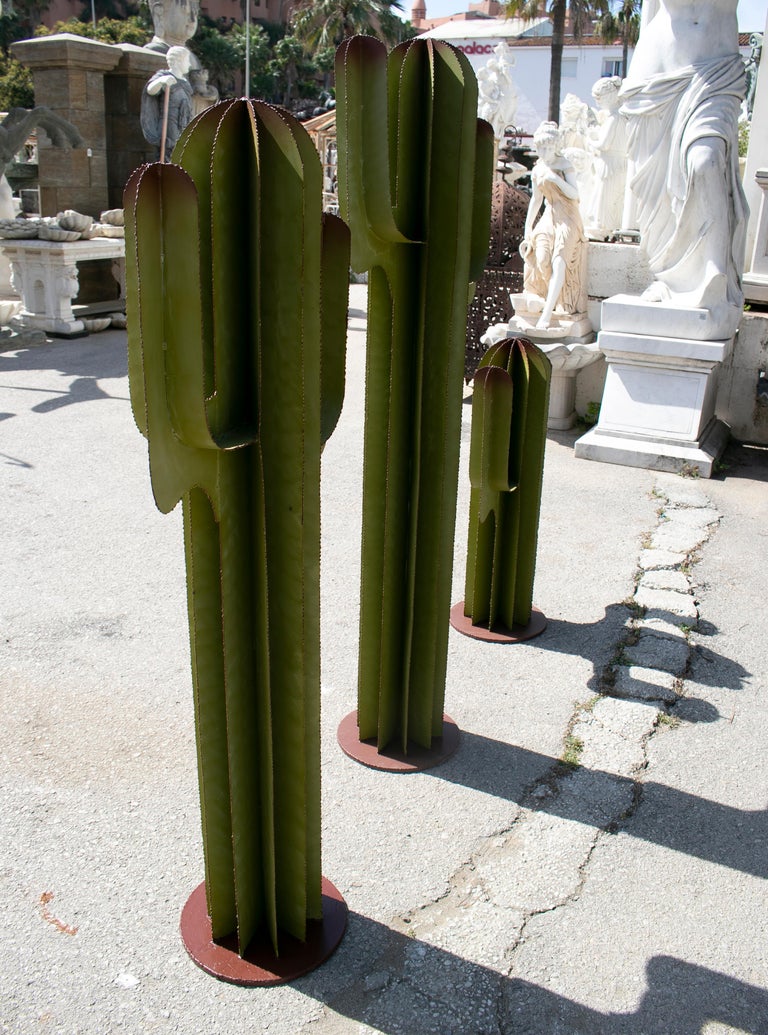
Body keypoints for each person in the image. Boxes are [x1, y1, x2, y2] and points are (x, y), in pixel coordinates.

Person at [619, 0, 747, 316]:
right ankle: (669, 277)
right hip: (657, 69)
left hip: (713, 70)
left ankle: (713, 273)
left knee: (706, 160)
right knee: (660, 192)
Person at [519, 121, 588, 329]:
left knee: (559, 261)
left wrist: (556, 180)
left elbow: (575, 195)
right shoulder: (538, 169)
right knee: (541, 259)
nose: (545, 151)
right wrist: (528, 229)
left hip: (568, 217)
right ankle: (552, 299)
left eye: (549, 147)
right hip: (549, 217)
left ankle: (547, 315)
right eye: (542, 147)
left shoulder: (564, 165)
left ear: (556, 146)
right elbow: (536, 200)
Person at [141, 47, 194, 162]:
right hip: (170, 122)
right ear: (178, 61)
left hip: (184, 122)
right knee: (170, 152)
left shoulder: (185, 83)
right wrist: (161, 81)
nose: (189, 64)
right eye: (187, 60)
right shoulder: (164, 75)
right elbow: (150, 90)